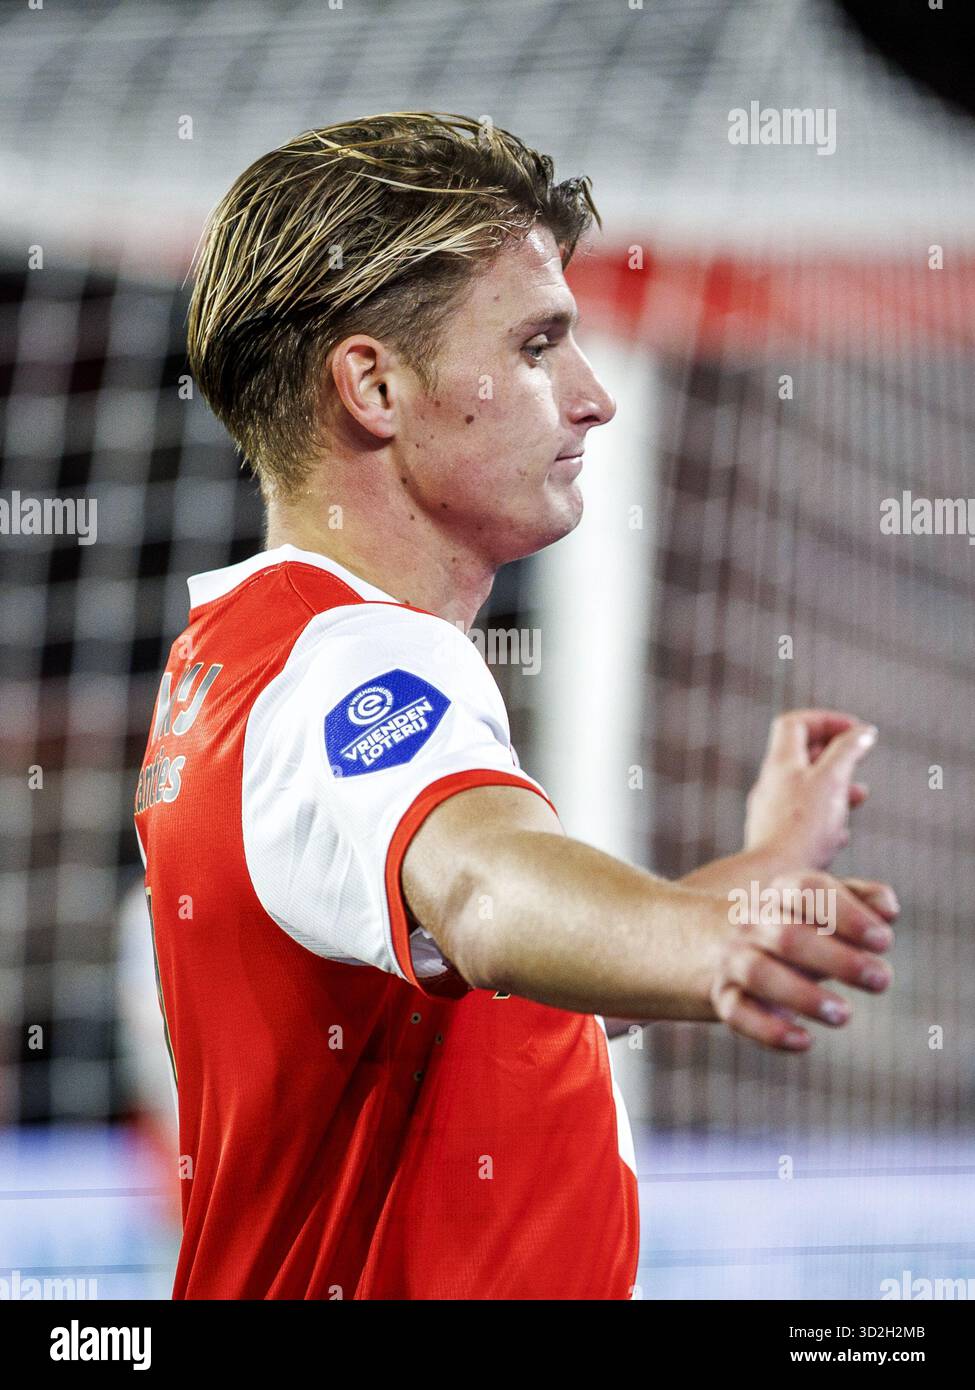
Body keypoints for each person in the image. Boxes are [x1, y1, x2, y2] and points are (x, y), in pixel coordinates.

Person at [134, 112, 898, 1300]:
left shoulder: (245, 660)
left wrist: (745, 877)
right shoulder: (355, 661)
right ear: (375, 385)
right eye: (541, 345)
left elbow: (511, 972)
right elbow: (492, 901)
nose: (593, 398)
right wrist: (706, 940)